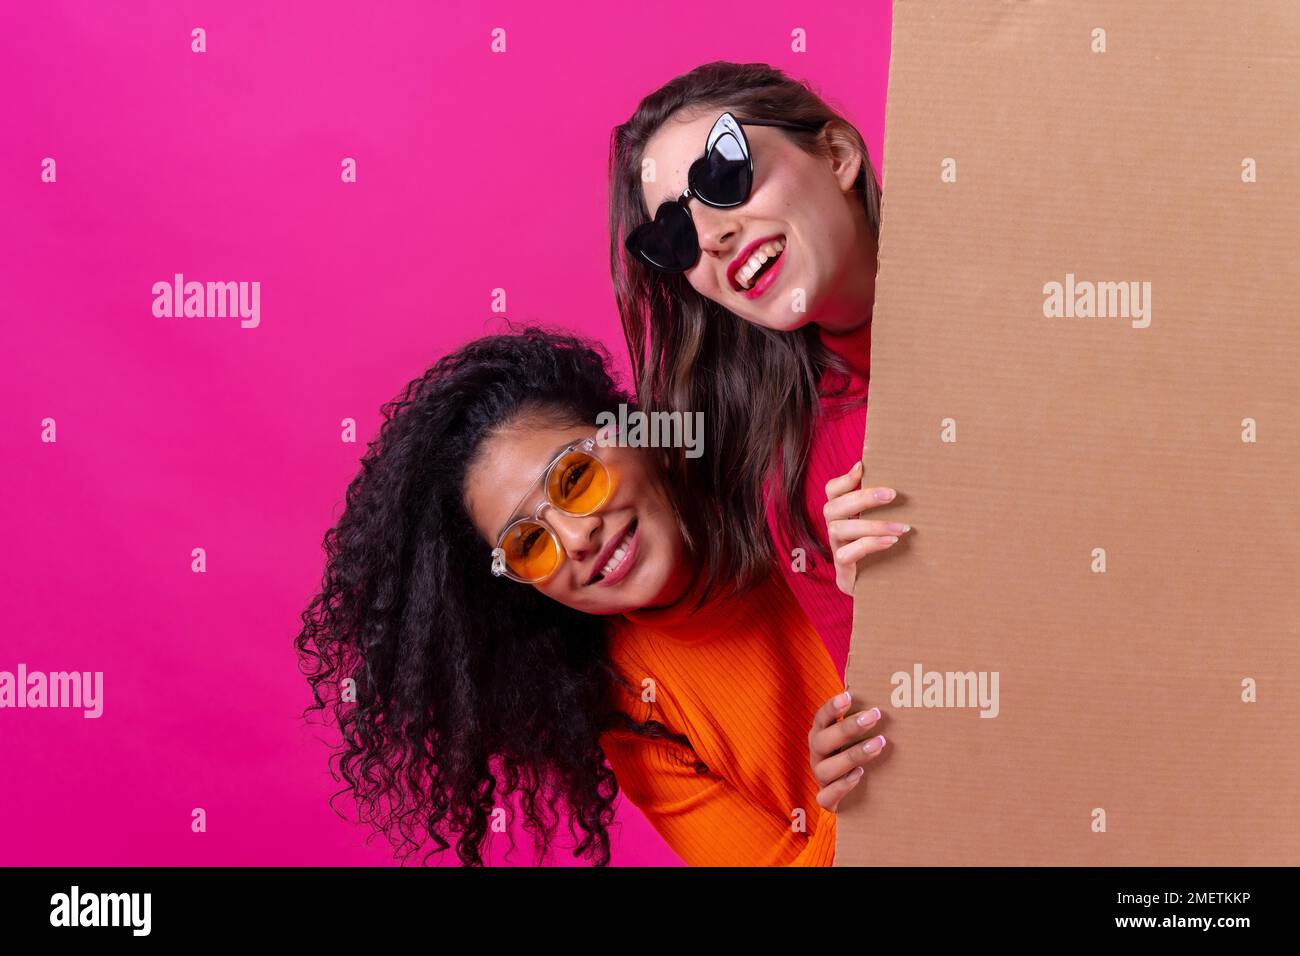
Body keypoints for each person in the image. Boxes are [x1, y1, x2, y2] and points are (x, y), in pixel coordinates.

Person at [294, 328, 889, 866]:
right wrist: (847, 798)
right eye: (530, 542)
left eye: (575, 477)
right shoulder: (636, 713)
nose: (577, 538)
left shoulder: (793, 481)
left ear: (635, 434)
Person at [609, 61, 909, 674]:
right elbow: (894, 721)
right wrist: (885, 610)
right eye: (674, 237)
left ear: (838, 154)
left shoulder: (1015, 269)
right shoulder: (796, 479)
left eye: (725, 175)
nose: (712, 236)